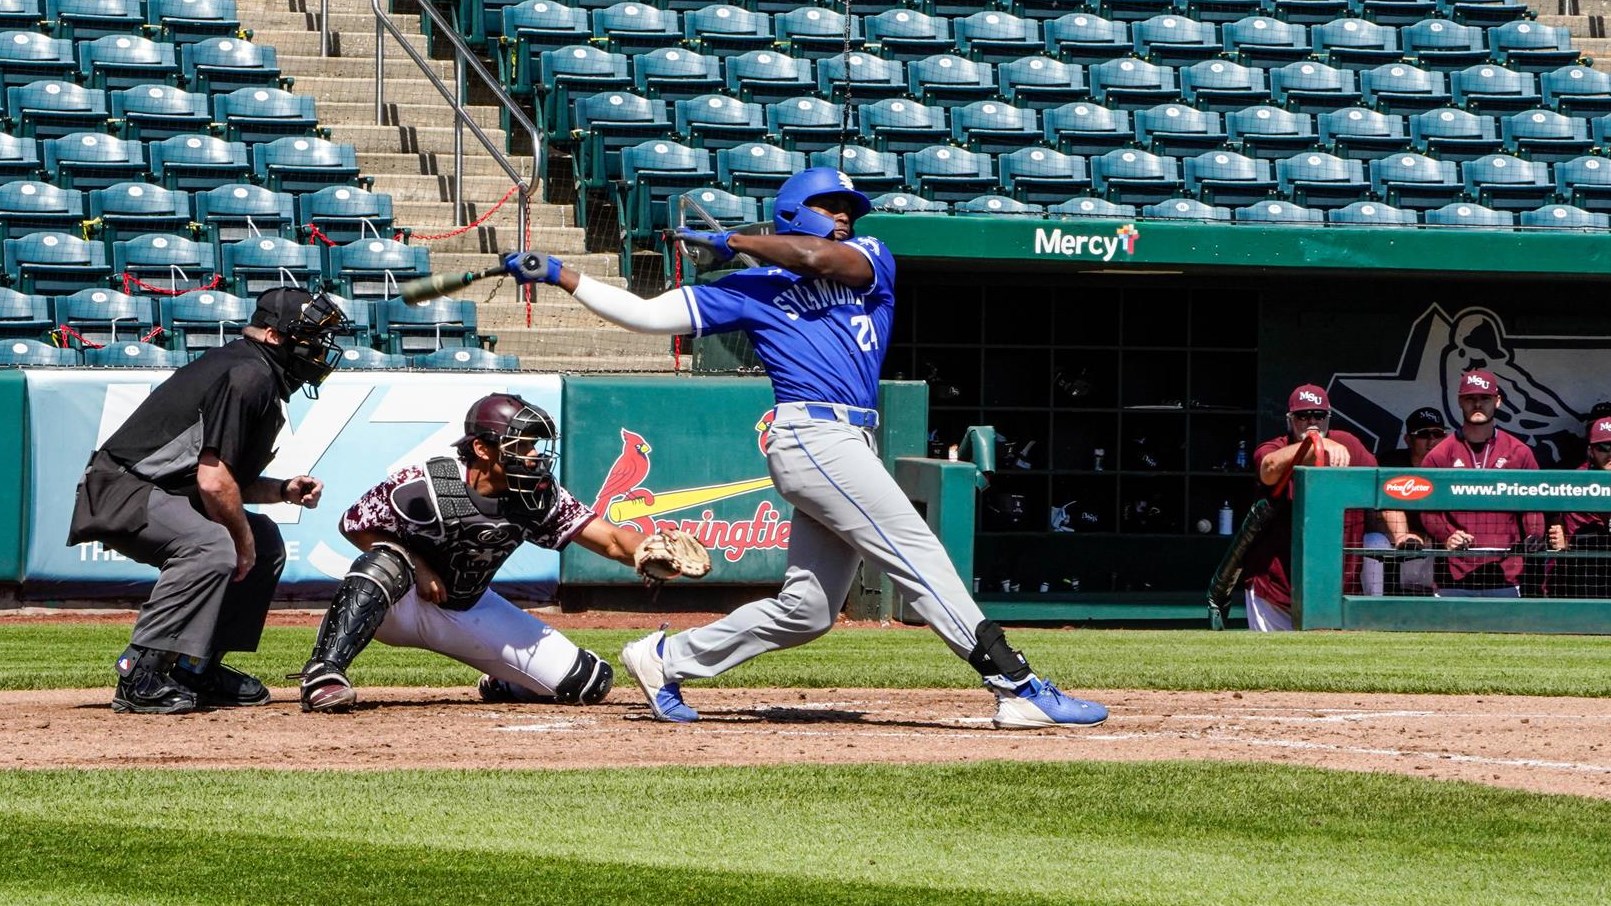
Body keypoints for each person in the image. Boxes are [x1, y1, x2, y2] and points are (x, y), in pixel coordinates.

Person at [493, 166, 1107, 729]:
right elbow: (644, 314)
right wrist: (560, 274)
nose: (844, 215)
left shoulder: (869, 259)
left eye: (849, 208)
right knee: (915, 552)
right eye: (829, 204)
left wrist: (735, 242)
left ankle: (665, 657)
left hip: (848, 437)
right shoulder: (754, 288)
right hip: (811, 434)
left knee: (808, 610)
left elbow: (819, 256)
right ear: (793, 211)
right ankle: (1014, 682)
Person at [296, 392, 682, 712]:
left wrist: (648, 550)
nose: (533, 455)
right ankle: (324, 671)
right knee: (384, 561)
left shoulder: (537, 496)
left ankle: (506, 682)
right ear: (482, 448)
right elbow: (354, 525)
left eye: (534, 445)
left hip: (470, 607)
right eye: (521, 445)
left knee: (589, 682)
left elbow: (611, 539)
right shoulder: (426, 483)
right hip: (402, 606)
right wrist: (419, 566)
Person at [67, 287, 350, 714]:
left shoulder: (255, 370)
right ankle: (140, 670)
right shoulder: (249, 374)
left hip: (155, 488)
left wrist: (281, 490)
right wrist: (241, 540)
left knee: (266, 538)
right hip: (120, 490)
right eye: (309, 337)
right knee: (214, 546)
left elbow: (222, 478)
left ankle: (195, 669)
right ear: (275, 336)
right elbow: (214, 482)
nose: (317, 349)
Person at [1240, 384, 1379, 631]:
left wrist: (1400, 533)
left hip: (1336, 590)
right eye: (1302, 416)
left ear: (1328, 417)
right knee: (1270, 667)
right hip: (1276, 588)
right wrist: (1316, 445)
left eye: (1318, 415)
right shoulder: (1275, 447)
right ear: (1290, 419)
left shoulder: (1349, 445)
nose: (1311, 421)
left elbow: (1379, 489)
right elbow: (1268, 469)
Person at [1418, 368, 1544, 597]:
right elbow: (1427, 508)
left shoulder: (1519, 452)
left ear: (1497, 401)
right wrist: (1447, 535)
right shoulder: (1440, 454)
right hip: (1453, 575)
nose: (1477, 404)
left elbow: (1533, 503)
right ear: (1459, 401)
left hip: (1505, 573)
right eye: (1470, 398)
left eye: (1485, 398)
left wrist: (1534, 533)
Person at [1377, 405, 1449, 594]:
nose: (1432, 440)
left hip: (1438, 542)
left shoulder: (1453, 464)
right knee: (1374, 540)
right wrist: (1404, 535)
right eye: (1424, 434)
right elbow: (1377, 512)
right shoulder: (1392, 463)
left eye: (1438, 433)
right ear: (1408, 439)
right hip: (1396, 542)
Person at [1546, 415, 1611, 598]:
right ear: (1591, 451)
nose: (1610, 454)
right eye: (1604, 447)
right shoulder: (1573, 483)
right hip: (1582, 572)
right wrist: (1559, 535)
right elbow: (1555, 528)